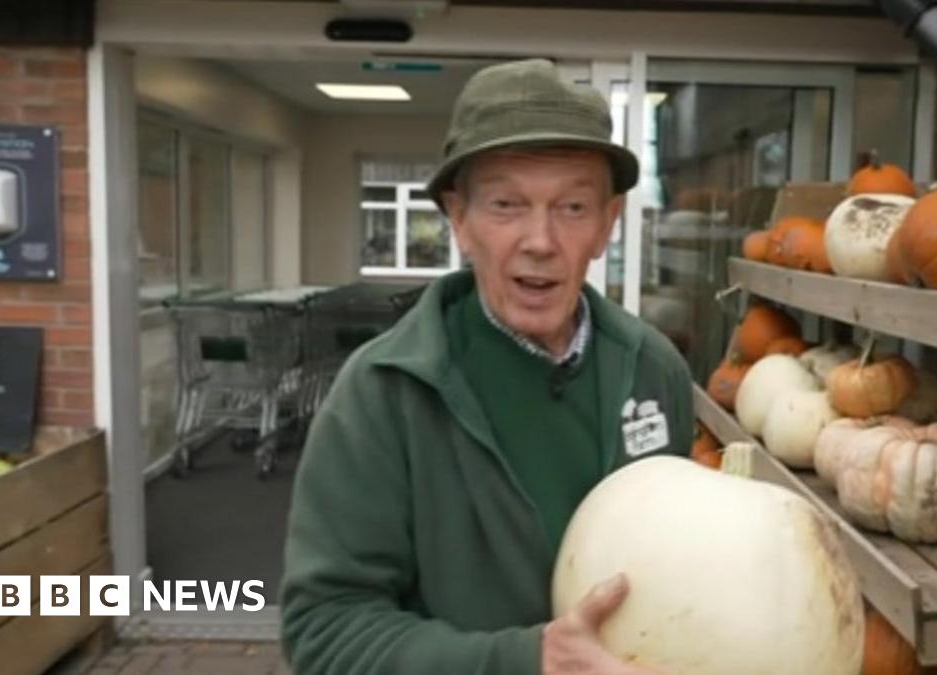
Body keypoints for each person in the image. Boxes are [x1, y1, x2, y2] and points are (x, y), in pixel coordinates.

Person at [280, 58, 695, 674]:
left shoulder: (653, 370)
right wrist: (526, 661)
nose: (540, 240)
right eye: (506, 204)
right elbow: (326, 629)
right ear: (460, 220)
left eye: (573, 207)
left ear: (608, 223)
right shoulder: (382, 392)